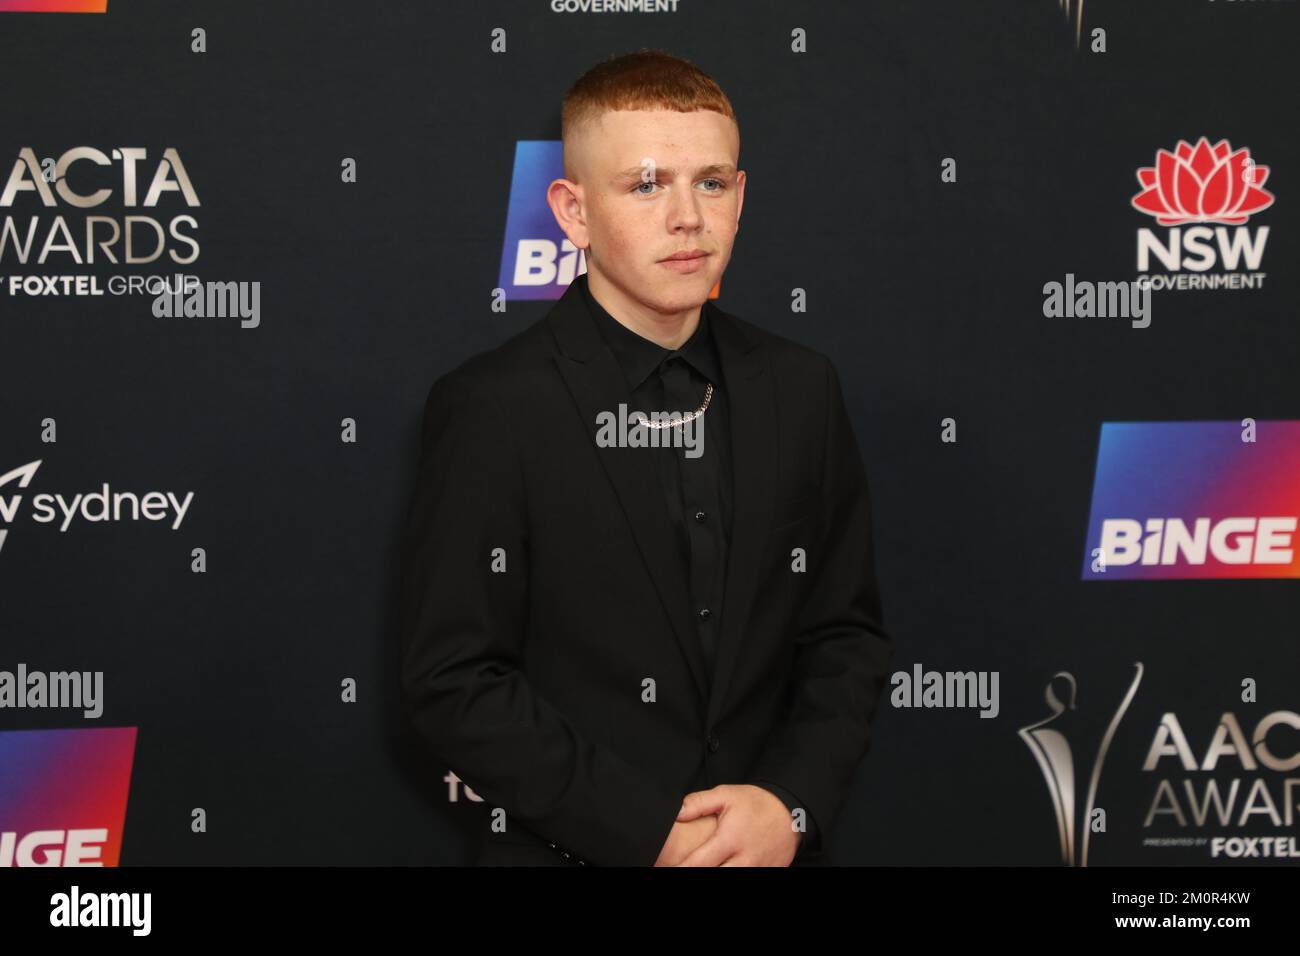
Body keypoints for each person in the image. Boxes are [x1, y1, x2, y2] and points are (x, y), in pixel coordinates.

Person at [399, 49, 892, 866]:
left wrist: (788, 805)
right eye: (645, 184)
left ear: (739, 197)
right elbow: (453, 679)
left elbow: (845, 633)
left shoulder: (802, 388)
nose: (687, 218)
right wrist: (645, 830)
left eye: (710, 182)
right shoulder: (493, 406)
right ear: (573, 211)